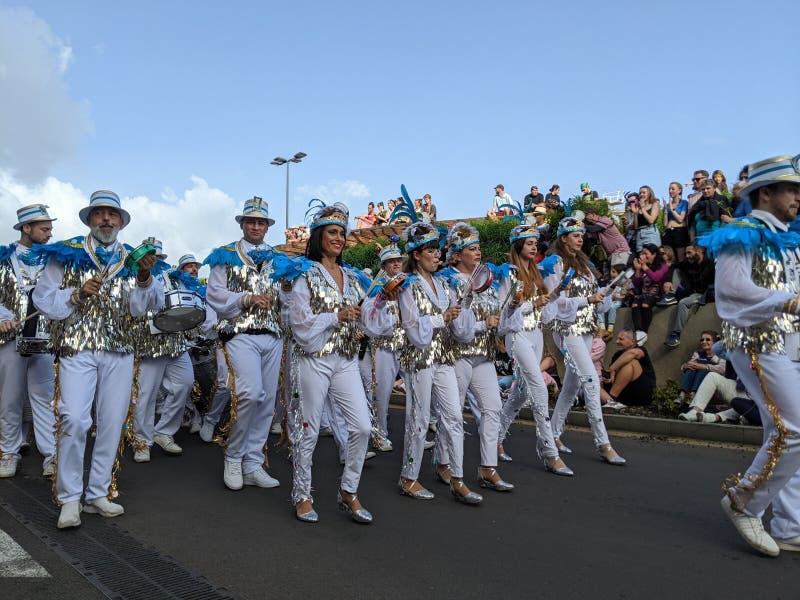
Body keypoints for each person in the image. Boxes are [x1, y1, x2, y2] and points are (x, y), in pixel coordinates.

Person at [33, 190, 163, 529]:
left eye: (112, 214)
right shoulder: (67, 253)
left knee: (112, 421)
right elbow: (44, 298)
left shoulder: (135, 258)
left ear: (121, 221)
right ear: (89, 219)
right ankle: (70, 498)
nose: (106, 219)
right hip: (78, 347)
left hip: (119, 350)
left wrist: (146, 277)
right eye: (99, 213)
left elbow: (145, 306)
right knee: (74, 419)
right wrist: (76, 294)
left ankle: (97, 493)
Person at [701, 154, 800, 556]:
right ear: (766, 193)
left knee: (787, 433)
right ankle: (744, 502)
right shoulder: (741, 233)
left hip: (788, 344)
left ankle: (790, 525)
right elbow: (731, 292)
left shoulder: (787, 239)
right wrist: (789, 302)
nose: (797, 197)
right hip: (758, 344)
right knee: (793, 431)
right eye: (791, 189)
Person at [286, 200, 376, 524]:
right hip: (313, 358)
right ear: (318, 236)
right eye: (332, 232)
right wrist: (335, 316)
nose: (338, 238)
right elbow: (298, 324)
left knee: (363, 427)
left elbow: (366, 321)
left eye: (342, 233)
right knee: (308, 429)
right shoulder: (304, 273)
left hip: (346, 358)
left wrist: (377, 308)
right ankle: (302, 494)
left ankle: (348, 490)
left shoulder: (352, 278)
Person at [395, 222, 482, 504]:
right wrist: (440, 318)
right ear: (416, 255)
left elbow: (461, 329)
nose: (437, 255)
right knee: (419, 420)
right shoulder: (407, 284)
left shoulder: (445, 284)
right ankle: (409, 478)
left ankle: (458, 478)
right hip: (419, 360)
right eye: (430, 250)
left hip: (444, 358)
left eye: (437, 250)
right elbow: (410, 327)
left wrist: (462, 310)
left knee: (455, 417)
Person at [204, 197, 285, 492]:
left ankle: (253, 462)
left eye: (260, 222)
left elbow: (286, 301)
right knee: (249, 393)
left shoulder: (279, 258)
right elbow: (214, 296)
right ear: (241, 224)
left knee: (266, 401)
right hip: (239, 333)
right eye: (250, 221)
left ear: (267, 226)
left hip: (273, 334)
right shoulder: (224, 255)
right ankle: (234, 456)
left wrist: (286, 291)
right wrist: (245, 299)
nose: (255, 226)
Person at [546, 215, 626, 465]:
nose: (581, 239)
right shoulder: (554, 264)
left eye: (582, 235)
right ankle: (603, 443)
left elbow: (598, 306)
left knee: (570, 386)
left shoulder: (586, 266)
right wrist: (586, 300)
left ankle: (553, 434)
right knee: (591, 382)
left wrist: (607, 295)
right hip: (567, 331)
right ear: (564, 238)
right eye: (576, 235)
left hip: (587, 330)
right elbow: (552, 302)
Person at [440, 223, 514, 490]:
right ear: (457, 255)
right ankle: (443, 462)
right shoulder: (448, 282)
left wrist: (512, 309)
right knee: (453, 413)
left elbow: (502, 324)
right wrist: (486, 324)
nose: (478, 252)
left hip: (483, 355)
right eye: (472, 249)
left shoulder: (487, 282)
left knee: (493, 408)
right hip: (457, 355)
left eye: (479, 248)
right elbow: (458, 327)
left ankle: (487, 467)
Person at [495, 224, 573, 476]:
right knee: (539, 389)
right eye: (529, 242)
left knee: (519, 392)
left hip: (536, 334)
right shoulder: (508, 273)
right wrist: (531, 304)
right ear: (518, 246)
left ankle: (495, 438)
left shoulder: (539, 273)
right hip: (517, 335)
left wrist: (556, 292)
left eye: (535, 242)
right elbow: (504, 315)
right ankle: (549, 451)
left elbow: (548, 313)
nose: (534, 246)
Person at [0, 204, 58, 478]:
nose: (49, 233)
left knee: (45, 399)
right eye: (44, 228)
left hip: (43, 339)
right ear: (26, 228)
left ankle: (51, 455)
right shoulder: (4, 258)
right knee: (9, 399)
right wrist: (2, 317)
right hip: (10, 339)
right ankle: (9, 453)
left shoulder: (53, 259)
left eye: (50, 228)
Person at [131, 240, 194, 463]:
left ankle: (164, 432)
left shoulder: (174, 276)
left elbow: (187, 301)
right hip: (150, 341)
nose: (154, 260)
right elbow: (135, 304)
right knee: (146, 394)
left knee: (185, 383)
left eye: (157, 256)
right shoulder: (133, 273)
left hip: (175, 340)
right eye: (149, 256)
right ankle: (142, 441)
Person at [362, 238, 405, 451]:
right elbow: (369, 314)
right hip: (384, 347)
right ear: (384, 266)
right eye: (391, 262)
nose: (396, 264)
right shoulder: (377, 288)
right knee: (383, 393)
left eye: (398, 260)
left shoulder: (410, 283)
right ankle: (379, 435)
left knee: (416, 390)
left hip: (406, 345)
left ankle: (417, 430)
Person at [663, 244, 715, 347]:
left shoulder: (710, 264)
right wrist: (668, 281)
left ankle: (676, 334)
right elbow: (673, 266)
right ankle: (671, 296)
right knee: (676, 270)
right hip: (691, 292)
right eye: (685, 253)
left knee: (683, 303)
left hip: (705, 294)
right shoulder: (687, 263)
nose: (686, 256)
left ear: (699, 252)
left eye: (689, 253)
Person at [600, 329, 655, 408]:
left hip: (642, 393)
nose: (617, 342)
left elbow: (632, 353)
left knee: (631, 362)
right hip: (625, 395)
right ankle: (608, 401)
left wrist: (612, 369)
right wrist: (609, 378)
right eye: (617, 339)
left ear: (632, 341)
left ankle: (611, 399)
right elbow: (613, 376)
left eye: (621, 339)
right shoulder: (617, 355)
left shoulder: (641, 350)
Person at [629, 244, 668, 336]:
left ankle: (644, 332)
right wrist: (638, 269)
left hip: (656, 295)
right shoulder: (643, 267)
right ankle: (638, 331)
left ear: (654, 254)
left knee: (645, 305)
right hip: (644, 295)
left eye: (645, 253)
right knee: (635, 304)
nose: (642, 256)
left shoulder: (662, 266)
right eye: (642, 253)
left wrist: (644, 267)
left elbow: (656, 278)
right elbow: (636, 283)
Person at [678, 331, 725, 401]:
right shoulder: (698, 353)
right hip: (696, 378)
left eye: (708, 340)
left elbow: (723, 369)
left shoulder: (721, 355)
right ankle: (682, 395)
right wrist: (686, 366)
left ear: (715, 343)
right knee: (691, 369)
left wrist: (705, 366)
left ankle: (693, 395)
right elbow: (691, 363)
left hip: (712, 384)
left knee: (703, 370)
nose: (704, 342)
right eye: (702, 340)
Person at [663, 181, 689, 262]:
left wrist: (672, 209)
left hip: (679, 232)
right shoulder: (668, 205)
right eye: (669, 189)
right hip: (668, 232)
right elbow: (665, 224)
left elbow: (681, 219)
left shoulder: (684, 202)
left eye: (673, 189)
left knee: (681, 259)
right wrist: (665, 210)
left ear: (679, 190)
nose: (670, 191)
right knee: (669, 259)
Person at [631, 185, 661, 252]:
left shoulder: (654, 204)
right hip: (639, 234)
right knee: (641, 256)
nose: (641, 194)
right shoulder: (638, 207)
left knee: (652, 254)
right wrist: (635, 213)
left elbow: (651, 220)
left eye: (644, 192)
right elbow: (636, 226)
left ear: (649, 194)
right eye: (640, 193)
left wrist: (643, 208)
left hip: (650, 232)